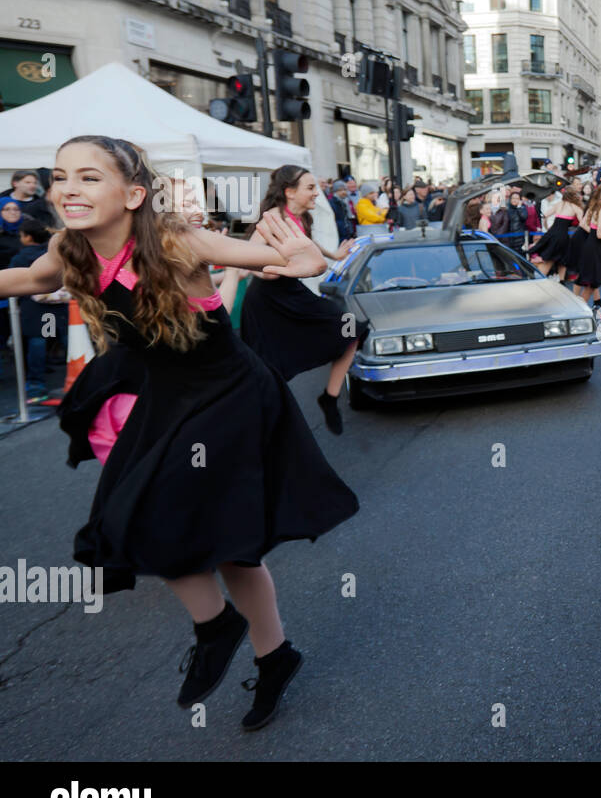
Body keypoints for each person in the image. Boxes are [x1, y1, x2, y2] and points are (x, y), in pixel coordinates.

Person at [0, 135, 358, 729]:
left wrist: (303, 256)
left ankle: (230, 633)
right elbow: (28, 282)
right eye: (61, 176)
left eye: (89, 177)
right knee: (169, 531)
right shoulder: (70, 248)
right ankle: (267, 652)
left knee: (175, 523)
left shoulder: (177, 241)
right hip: (166, 396)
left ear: (134, 194)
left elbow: (295, 264)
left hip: (228, 394)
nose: (68, 187)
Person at [230, 166, 364, 434]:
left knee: (352, 329)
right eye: (311, 188)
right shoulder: (274, 219)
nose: (317, 192)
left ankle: (330, 397)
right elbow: (247, 256)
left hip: (292, 291)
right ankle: (255, 431)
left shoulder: (301, 218)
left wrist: (334, 256)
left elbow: (306, 244)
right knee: (265, 374)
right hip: (267, 301)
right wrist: (264, 271)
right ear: (290, 192)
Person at [10, 218, 60, 402]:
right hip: (57, 307)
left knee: (37, 342)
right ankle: (49, 367)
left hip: (35, 308)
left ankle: (36, 384)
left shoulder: (21, 257)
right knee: (51, 337)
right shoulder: (50, 254)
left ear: (27, 237)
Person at [529, 183, 582, 278]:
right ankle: (554, 281)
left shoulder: (558, 204)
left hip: (551, 233)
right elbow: (583, 224)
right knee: (559, 260)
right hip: (562, 236)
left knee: (550, 258)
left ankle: (538, 278)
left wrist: (547, 227)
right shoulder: (575, 207)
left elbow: (544, 216)